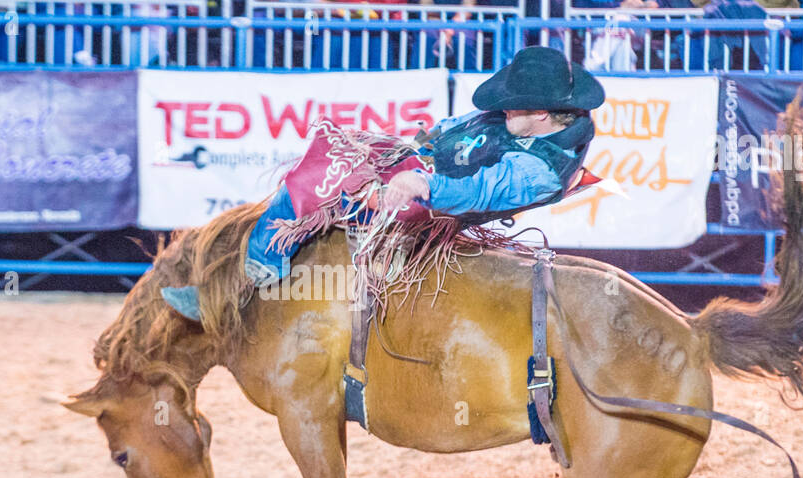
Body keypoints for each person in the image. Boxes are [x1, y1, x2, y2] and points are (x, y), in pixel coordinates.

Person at [159, 46, 607, 318]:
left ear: (543, 114)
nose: (505, 109)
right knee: (329, 151)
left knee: (314, 184)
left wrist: (421, 183)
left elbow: (480, 190)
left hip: (433, 203)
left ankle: (235, 292)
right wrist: (424, 143)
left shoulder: (541, 170)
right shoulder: (522, 123)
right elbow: (466, 122)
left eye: (515, 107)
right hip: (420, 166)